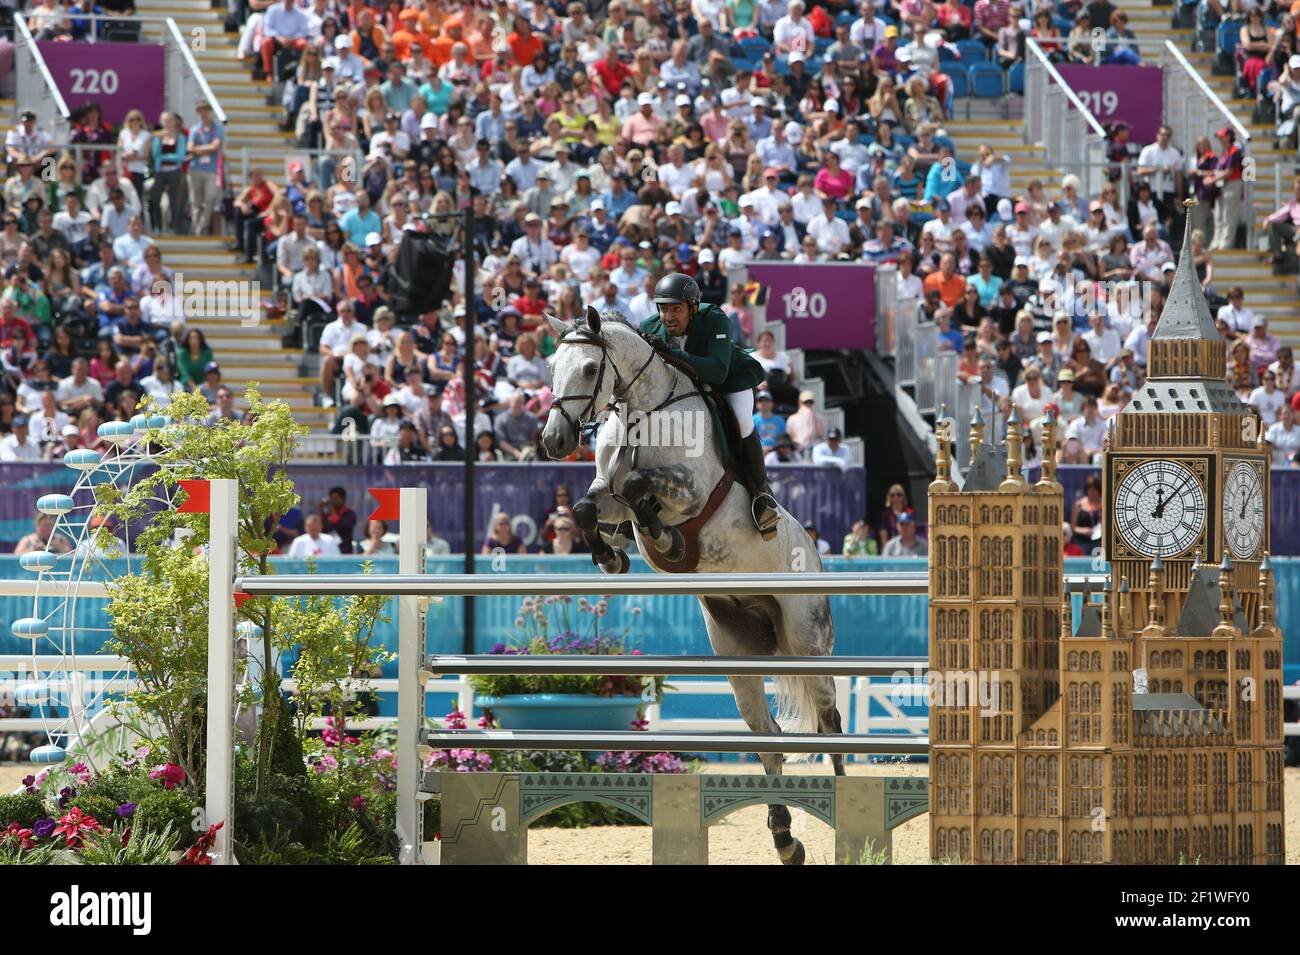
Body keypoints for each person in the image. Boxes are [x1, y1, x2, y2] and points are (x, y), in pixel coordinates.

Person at [639, 272, 778, 536]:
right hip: (682, 389)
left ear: (692, 307)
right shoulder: (649, 327)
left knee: (742, 419)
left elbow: (717, 372)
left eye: (676, 309)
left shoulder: (715, 318)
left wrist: (672, 353)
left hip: (728, 380)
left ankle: (762, 496)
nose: (668, 317)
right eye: (663, 309)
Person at [1069, 474, 1103, 553]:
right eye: (1090, 489)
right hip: (1082, 542)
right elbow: (1073, 527)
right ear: (1086, 490)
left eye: (1095, 490)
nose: (1092, 492)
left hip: (1099, 542)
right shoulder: (1079, 505)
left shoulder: (1104, 505)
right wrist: (1085, 531)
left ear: (1099, 491)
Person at [319, 486, 357, 555]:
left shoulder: (349, 513)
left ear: (343, 499)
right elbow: (321, 529)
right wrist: (320, 509)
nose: (333, 501)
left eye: (336, 498)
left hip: (344, 549)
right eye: (332, 498)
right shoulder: (328, 514)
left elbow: (343, 527)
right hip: (328, 548)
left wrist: (331, 510)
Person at [1266, 402, 1300, 467]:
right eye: (1284, 414)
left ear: (1293, 415)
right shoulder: (1274, 428)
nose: (1286, 416)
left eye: (1289, 414)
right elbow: (1267, 446)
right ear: (1280, 416)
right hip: (1277, 463)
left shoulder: (1299, 430)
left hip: (1295, 464)